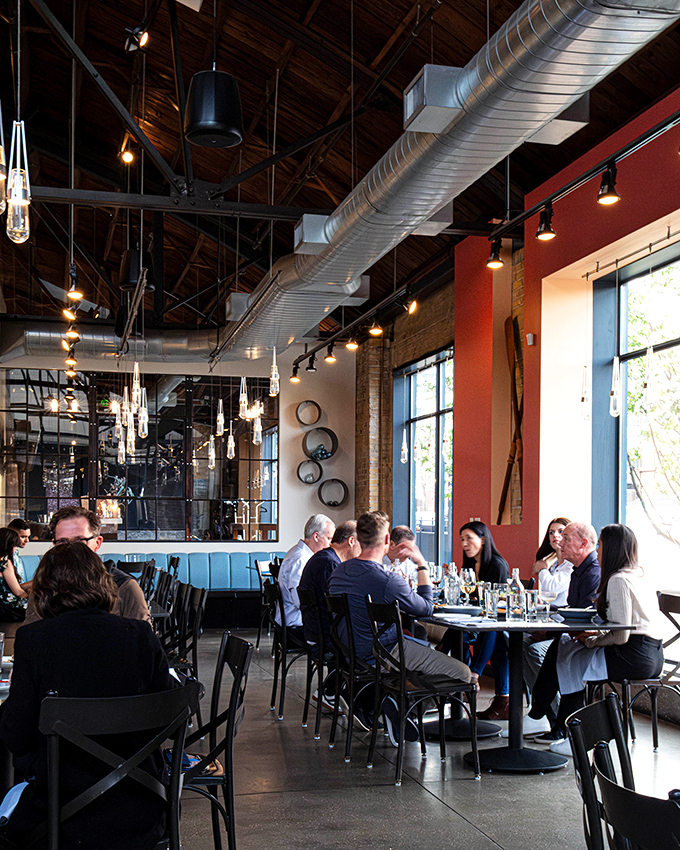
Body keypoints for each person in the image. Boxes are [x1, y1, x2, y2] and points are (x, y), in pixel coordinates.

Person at [0, 542, 177, 848]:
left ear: (44, 589)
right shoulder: (140, 635)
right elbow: (170, 719)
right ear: (104, 584)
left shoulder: (34, 640)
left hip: (57, 818)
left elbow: (16, 738)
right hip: (142, 813)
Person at [329, 511, 471, 745]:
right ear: (387, 541)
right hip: (385, 653)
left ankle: (396, 704)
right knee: (463, 673)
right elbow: (425, 609)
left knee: (422, 648)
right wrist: (421, 564)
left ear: (360, 539)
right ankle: (406, 712)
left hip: (352, 651)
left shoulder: (339, 571)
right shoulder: (387, 581)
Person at [528, 524, 664, 757]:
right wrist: (593, 637)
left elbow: (621, 635)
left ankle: (570, 734)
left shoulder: (618, 580)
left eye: (600, 544)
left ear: (611, 548)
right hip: (652, 655)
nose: (597, 550)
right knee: (567, 649)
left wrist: (592, 642)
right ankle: (563, 728)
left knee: (572, 656)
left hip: (634, 656)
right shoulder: (638, 575)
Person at [23, 506, 151, 626]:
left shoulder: (124, 587)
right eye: (63, 542)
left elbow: (143, 642)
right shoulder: (44, 586)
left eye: (80, 541)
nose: (71, 549)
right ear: (54, 545)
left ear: (97, 543)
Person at [521, 517, 572, 732]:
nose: (555, 536)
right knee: (517, 645)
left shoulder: (569, 565)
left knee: (533, 650)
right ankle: (540, 710)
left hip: (564, 629)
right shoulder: (554, 564)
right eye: (551, 532)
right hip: (550, 623)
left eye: (560, 531)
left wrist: (541, 569)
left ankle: (557, 714)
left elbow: (553, 589)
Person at [456, 521, 510, 721]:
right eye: (462, 539)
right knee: (455, 634)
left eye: (469, 538)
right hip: (477, 622)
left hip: (500, 625)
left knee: (492, 633)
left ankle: (472, 677)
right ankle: (460, 678)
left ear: (483, 539)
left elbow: (497, 604)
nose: (464, 543)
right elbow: (468, 597)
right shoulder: (470, 565)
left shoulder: (496, 564)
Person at [299, 520, 360, 648]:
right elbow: (339, 605)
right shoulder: (329, 563)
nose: (363, 549)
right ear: (351, 541)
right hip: (325, 637)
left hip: (317, 631)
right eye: (363, 544)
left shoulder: (325, 558)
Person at [276, 514, 335, 639]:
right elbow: (300, 602)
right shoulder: (300, 560)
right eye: (329, 538)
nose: (331, 544)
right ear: (316, 536)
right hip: (295, 625)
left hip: (293, 620)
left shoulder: (299, 553)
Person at [0, 528, 29, 652]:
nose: (16, 549)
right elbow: (17, 592)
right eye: (15, 546)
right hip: (9, 608)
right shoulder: (5, 563)